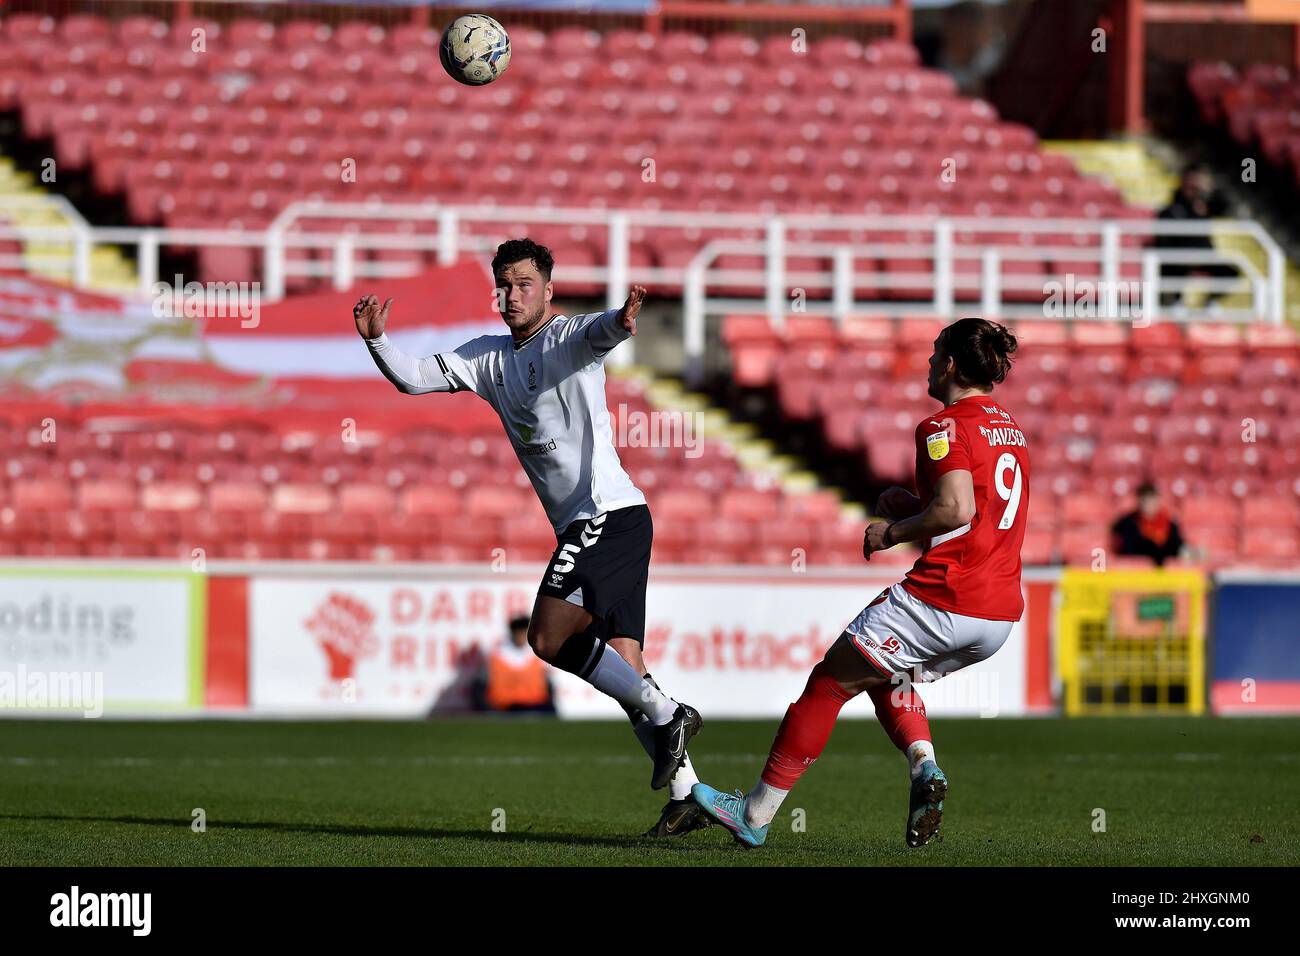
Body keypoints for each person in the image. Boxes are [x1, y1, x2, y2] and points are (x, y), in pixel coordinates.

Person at [354, 238, 709, 837]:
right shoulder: (488, 359)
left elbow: (599, 334)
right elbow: (415, 379)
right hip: (606, 522)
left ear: (549, 287)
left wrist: (620, 322)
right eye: (504, 285)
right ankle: (686, 793)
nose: (512, 295)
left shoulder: (568, 336)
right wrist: (376, 341)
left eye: (524, 283)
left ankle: (670, 712)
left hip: (606, 516)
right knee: (624, 663)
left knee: (546, 635)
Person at [691, 318, 1029, 849]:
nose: (927, 361)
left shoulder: (942, 427)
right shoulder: (1009, 428)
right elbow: (977, 511)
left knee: (829, 682)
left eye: (934, 352)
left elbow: (957, 508)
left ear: (951, 365)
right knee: (885, 677)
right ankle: (924, 769)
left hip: (946, 596)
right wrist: (918, 508)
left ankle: (754, 813)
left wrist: (894, 530)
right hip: (999, 613)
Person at [1155, 162, 1236, 307]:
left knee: (1229, 272)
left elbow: (1227, 207)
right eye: (1191, 183)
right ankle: (1175, 302)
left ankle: (1209, 303)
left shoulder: (1205, 205)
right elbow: (1165, 236)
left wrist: (1210, 191)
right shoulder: (1173, 209)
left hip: (1204, 255)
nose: (1193, 188)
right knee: (1175, 268)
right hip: (1179, 256)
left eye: (1196, 183)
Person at [473, 615, 556, 714]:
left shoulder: (538, 655)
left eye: (524, 633)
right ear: (512, 633)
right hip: (504, 707)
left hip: (535, 705)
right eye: (519, 633)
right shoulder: (495, 655)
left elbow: (548, 685)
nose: (521, 637)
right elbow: (479, 686)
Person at [1111, 482, 1186, 567]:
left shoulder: (1168, 523)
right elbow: (1127, 549)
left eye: (1151, 500)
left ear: (1157, 501)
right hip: (1135, 570)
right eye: (1145, 501)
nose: (1148, 504)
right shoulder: (1127, 523)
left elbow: (1176, 546)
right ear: (1139, 501)